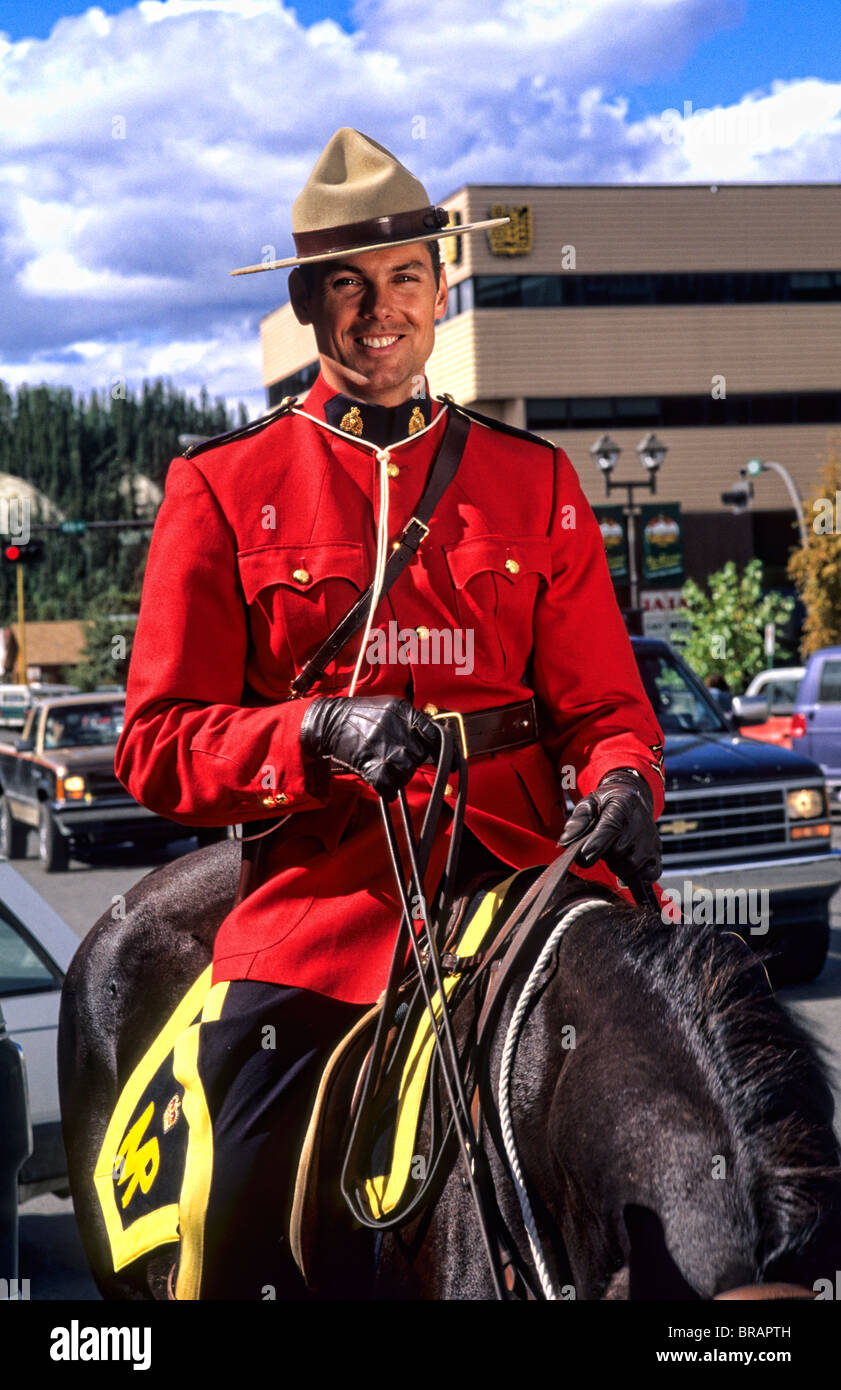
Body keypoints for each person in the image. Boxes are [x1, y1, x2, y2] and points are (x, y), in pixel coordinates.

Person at [114, 127, 666, 1300]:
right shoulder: (220, 488)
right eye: (351, 286)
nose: (382, 311)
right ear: (313, 303)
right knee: (231, 1178)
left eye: (406, 278)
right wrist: (310, 736)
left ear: (439, 287)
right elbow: (157, 744)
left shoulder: (534, 480)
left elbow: (604, 706)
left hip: (527, 871)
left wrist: (622, 779)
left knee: (714, 1095)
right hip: (329, 902)